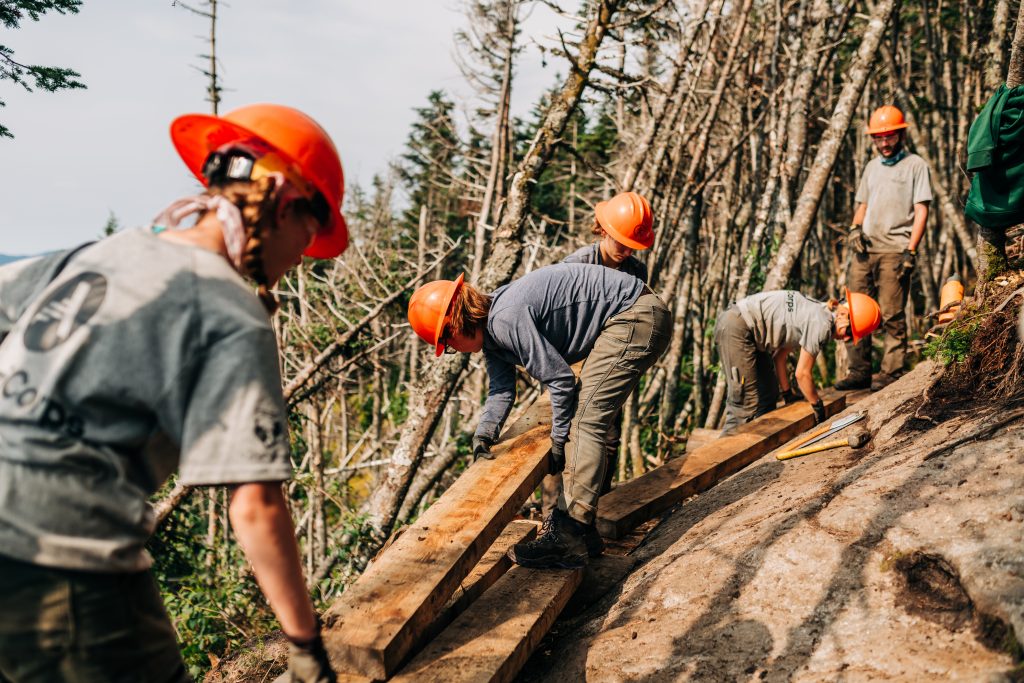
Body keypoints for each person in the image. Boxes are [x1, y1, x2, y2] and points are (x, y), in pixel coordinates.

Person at [0, 104, 345, 683]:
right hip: (62, 564)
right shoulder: (227, 310)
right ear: (286, 203)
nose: (299, 260)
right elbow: (255, 504)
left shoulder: (95, 254)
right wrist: (306, 645)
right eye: (308, 235)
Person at [407, 263, 671, 568]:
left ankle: (569, 535)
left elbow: (559, 380)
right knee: (579, 419)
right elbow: (501, 390)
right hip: (630, 314)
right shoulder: (494, 333)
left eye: (448, 346)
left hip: (634, 316)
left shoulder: (506, 319)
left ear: (455, 327)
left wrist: (558, 440)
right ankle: (582, 534)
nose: (456, 350)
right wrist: (484, 434)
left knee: (583, 423)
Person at [539, 191, 654, 517]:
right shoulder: (573, 268)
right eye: (620, 240)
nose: (625, 249)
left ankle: (594, 510)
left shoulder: (635, 271)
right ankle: (552, 516)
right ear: (602, 229)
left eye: (632, 243)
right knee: (560, 440)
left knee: (607, 436)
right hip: (567, 362)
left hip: (607, 361)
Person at [836, 105, 932, 392]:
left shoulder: (915, 165)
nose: (884, 143)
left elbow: (921, 209)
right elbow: (863, 205)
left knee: (891, 311)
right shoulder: (871, 167)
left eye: (889, 137)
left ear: (900, 135)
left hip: (895, 249)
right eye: (879, 138)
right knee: (855, 311)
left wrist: (911, 250)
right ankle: (859, 372)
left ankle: (891, 372)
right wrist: (855, 228)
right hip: (865, 250)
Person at [714, 289, 881, 434]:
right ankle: (722, 461)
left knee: (768, 394)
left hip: (748, 331)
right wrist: (817, 406)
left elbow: (779, 358)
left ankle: (754, 449)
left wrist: (787, 394)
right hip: (737, 328)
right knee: (744, 402)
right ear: (843, 314)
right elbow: (802, 374)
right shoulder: (821, 323)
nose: (845, 338)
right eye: (850, 332)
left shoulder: (816, 311)